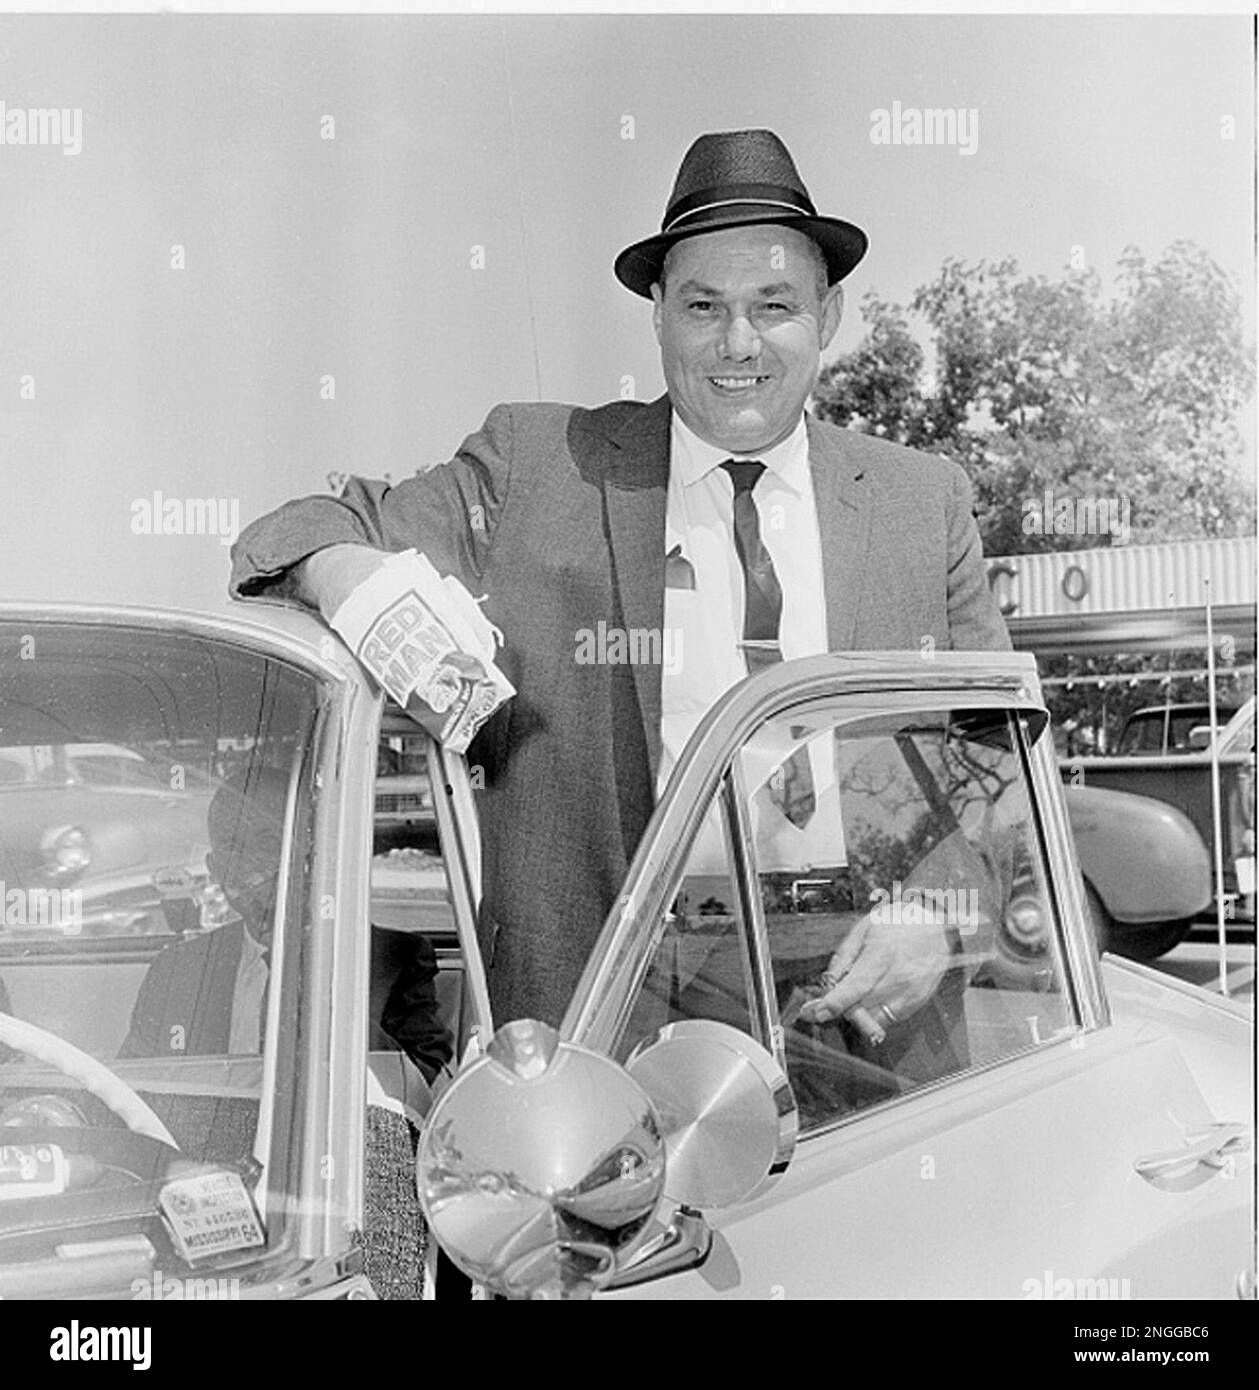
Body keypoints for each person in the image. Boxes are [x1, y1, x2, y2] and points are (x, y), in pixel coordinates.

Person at [230, 128, 1010, 1041]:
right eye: (701, 305)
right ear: (657, 314)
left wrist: (939, 912)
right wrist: (349, 574)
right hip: (605, 1015)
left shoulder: (924, 502)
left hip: (867, 1006)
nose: (737, 342)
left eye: (774, 304)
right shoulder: (539, 467)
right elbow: (294, 531)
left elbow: (995, 755)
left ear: (827, 317)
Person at [122, 765, 451, 1084]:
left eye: (268, 845)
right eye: (234, 849)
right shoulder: (176, 970)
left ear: (310, 853)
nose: (252, 867)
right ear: (216, 868)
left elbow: (422, 1083)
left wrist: (317, 981)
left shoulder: (392, 960)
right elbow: (133, 1086)